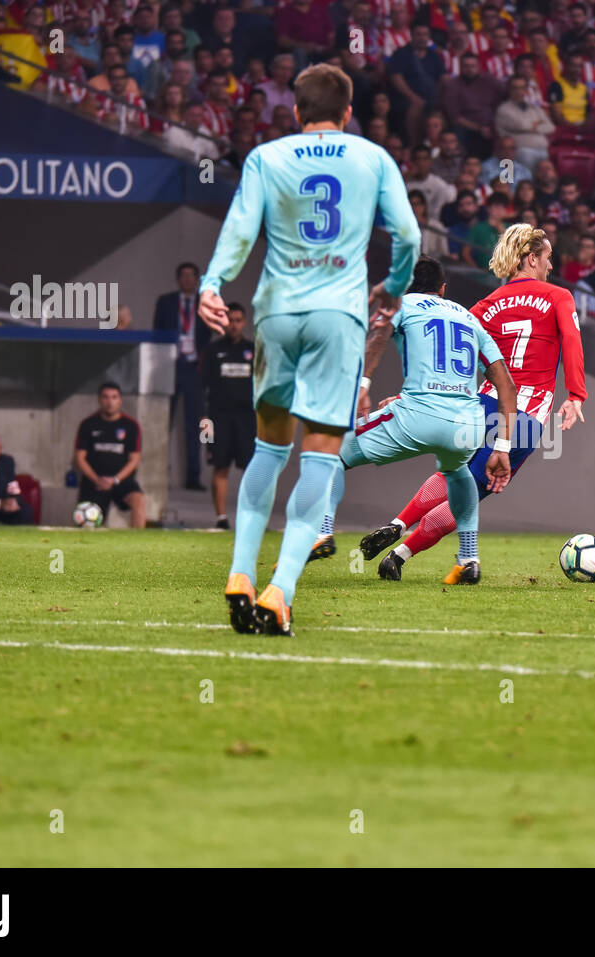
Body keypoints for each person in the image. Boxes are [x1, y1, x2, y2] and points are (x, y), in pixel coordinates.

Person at [197, 63, 420, 636]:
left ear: (295, 112)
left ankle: (242, 573)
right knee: (319, 456)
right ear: (348, 114)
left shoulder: (267, 158)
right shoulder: (372, 158)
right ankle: (281, 590)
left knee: (267, 451)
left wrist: (211, 285)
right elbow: (409, 236)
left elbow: (241, 229)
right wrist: (393, 289)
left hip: (274, 313)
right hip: (337, 319)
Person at [356, 224, 586, 580]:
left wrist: (407, 395)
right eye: (547, 258)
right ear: (531, 258)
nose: (550, 267)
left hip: (477, 405)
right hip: (522, 415)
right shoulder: (558, 297)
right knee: (467, 496)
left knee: (450, 474)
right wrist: (575, 394)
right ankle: (399, 556)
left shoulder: (483, 307)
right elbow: (571, 339)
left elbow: (449, 359)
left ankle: (397, 523)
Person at [316, 257, 517, 582]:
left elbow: (377, 338)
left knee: (331, 451)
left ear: (407, 285)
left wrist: (363, 384)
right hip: (468, 424)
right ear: (442, 289)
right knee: (457, 471)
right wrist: (503, 445)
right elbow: (506, 386)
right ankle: (468, 558)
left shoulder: (402, 304)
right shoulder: (470, 319)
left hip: (418, 415)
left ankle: (322, 531)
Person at [153, 262, 212, 490]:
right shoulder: (166, 302)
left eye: (191, 276)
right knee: (163, 422)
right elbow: (157, 332)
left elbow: (209, 334)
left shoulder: (203, 303)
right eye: (183, 276)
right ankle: (159, 475)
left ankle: (193, 477)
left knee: (195, 424)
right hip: (170, 365)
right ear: (178, 279)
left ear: (197, 280)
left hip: (194, 368)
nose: (187, 280)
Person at [201, 302, 256, 530]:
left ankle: (249, 517)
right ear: (224, 322)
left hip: (247, 419)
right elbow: (202, 388)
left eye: (238, 320)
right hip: (218, 418)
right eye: (230, 320)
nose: (234, 325)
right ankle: (221, 518)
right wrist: (204, 427)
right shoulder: (213, 350)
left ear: (243, 322)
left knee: (251, 468)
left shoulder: (253, 349)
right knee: (220, 466)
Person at [73, 382, 146, 529]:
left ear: (120, 400)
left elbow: (135, 459)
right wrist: (97, 479)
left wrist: (115, 479)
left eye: (114, 397)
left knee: (138, 500)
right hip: (95, 481)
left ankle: (138, 544)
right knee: (87, 520)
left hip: (120, 480)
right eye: (105, 397)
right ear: (99, 400)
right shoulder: (88, 424)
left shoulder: (131, 425)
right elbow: (80, 458)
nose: (110, 402)